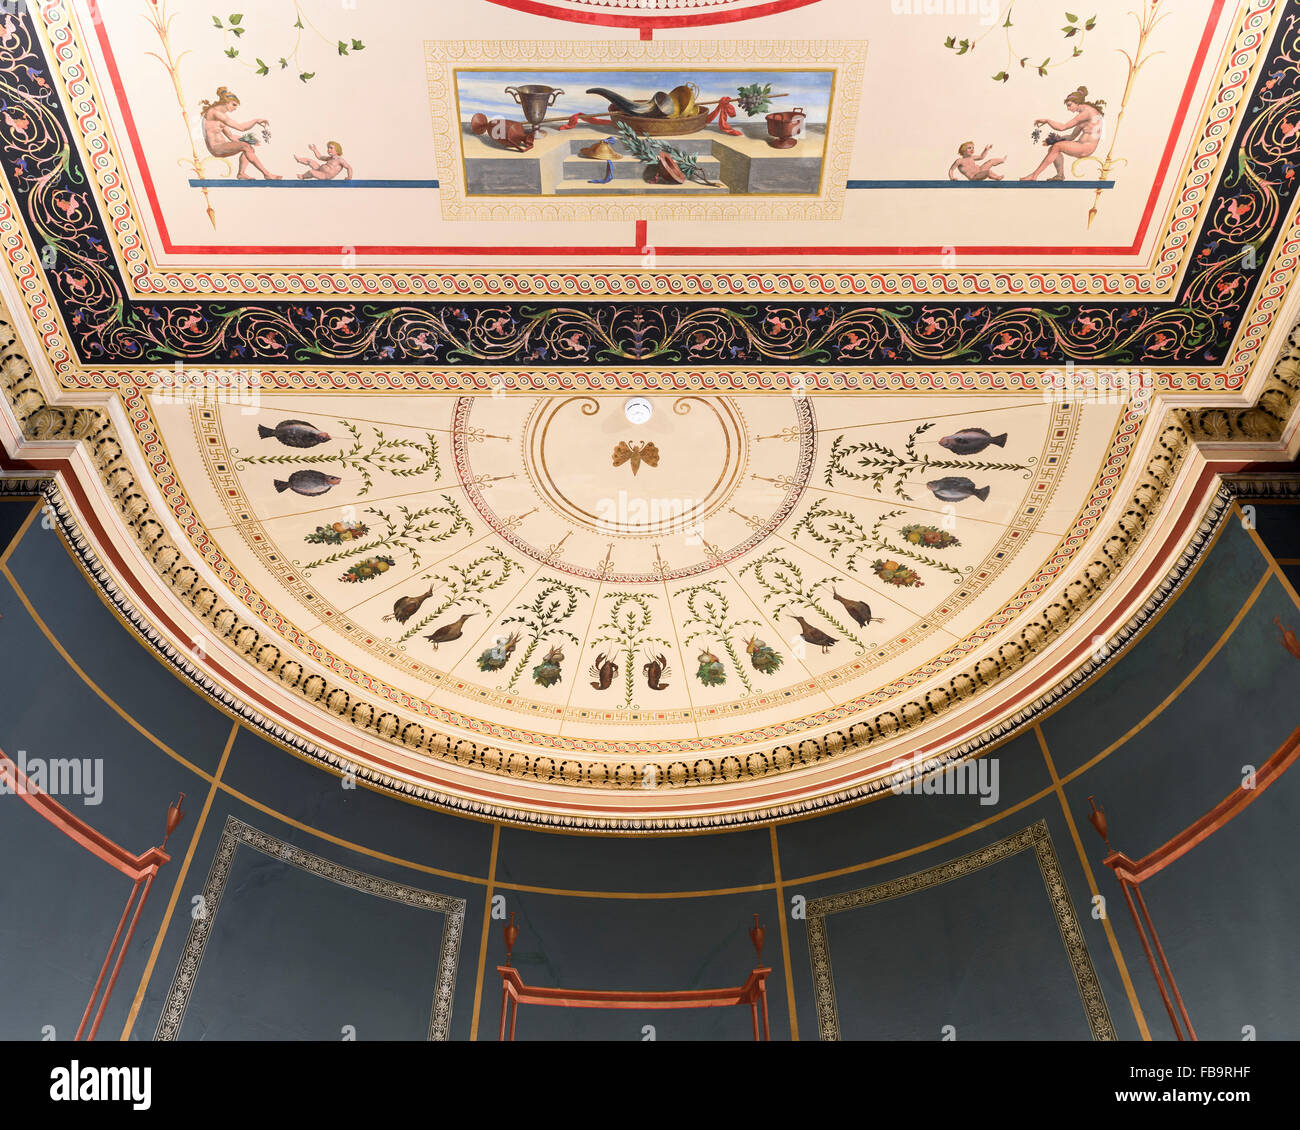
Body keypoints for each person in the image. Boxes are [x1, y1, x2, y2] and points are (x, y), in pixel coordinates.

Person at [1021, 86, 1105, 181]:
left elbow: (1062, 127)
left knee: (1057, 147)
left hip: (1086, 148)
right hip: (1081, 145)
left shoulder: (1087, 113)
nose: (1068, 109)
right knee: (1053, 147)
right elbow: (1071, 137)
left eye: (1069, 105)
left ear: (1077, 103)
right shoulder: (1086, 115)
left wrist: (1047, 121)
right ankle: (1060, 175)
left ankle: (1034, 175)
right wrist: (1053, 141)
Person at [199, 86, 280, 179]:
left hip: (223, 147)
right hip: (216, 148)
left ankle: (241, 174)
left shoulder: (220, 117)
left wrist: (249, 140)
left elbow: (231, 136)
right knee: (245, 146)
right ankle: (267, 174)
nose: (235, 108)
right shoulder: (214, 113)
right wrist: (256, 120)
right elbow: (241, 128)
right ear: (226, 102)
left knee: (248, 147)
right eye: (234, 104)